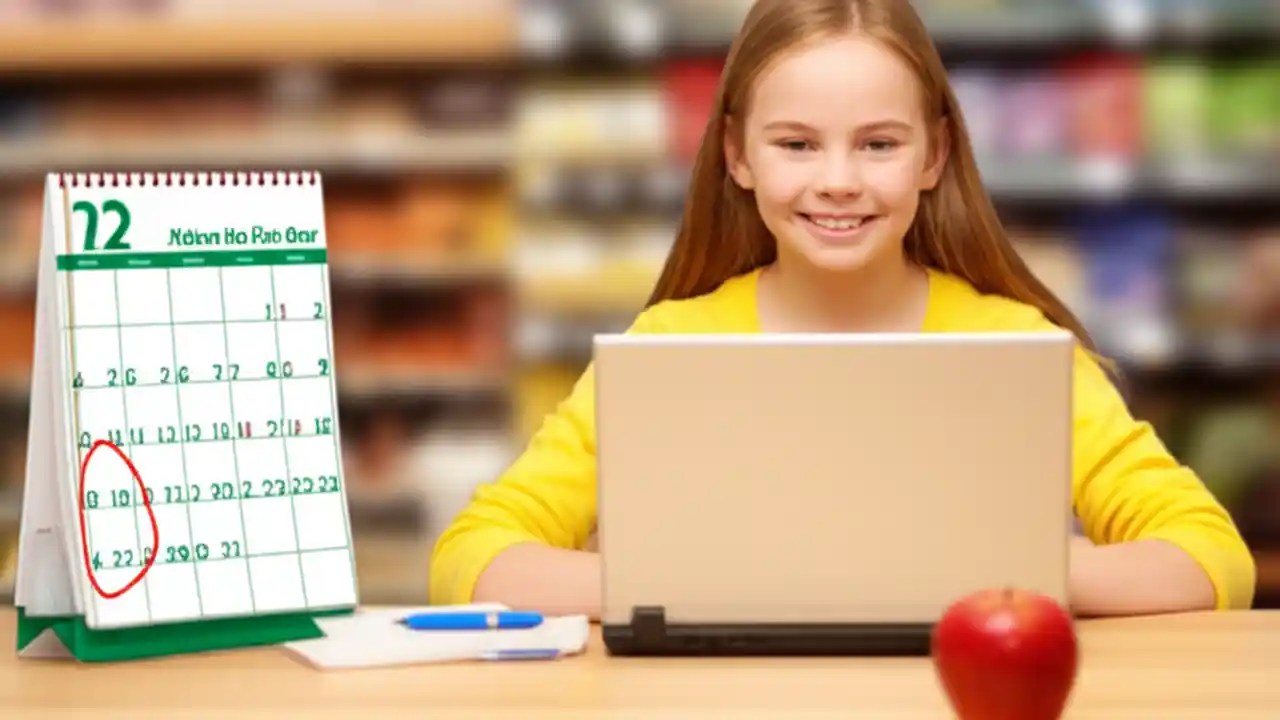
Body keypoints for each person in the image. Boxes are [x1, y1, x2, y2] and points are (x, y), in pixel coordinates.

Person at [430, 0, 1256, 618]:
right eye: (796, 144)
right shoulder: (671, 344)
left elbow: (1209, 555)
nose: (837, 181)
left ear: (933, 154)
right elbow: (474, 555)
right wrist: (695, 589)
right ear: (737, 155)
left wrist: (987, 581)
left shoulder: (1013, 343)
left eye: (878, 144)